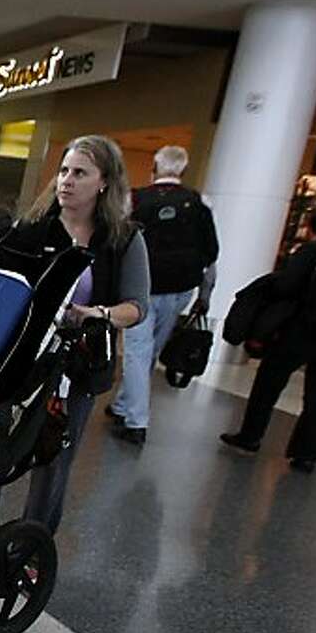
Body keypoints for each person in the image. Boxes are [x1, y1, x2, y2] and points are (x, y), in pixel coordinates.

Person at [3, 135, 148, 531]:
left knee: (54, 456)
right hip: (17, 355)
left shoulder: (123, 240)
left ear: (104, 182)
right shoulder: (32, 229)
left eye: (80, 173)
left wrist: (95, 313)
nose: (66, 180)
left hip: (76, 362)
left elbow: (136, 306)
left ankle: (32, 544)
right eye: (63, 171)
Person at [109, 144, 220, 444]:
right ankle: (123, 404)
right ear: (182, 170)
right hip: (181, 287)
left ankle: (135, 420)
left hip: (141, 287)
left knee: (136, 350)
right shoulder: (198, 203)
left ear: (155, 168)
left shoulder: (135, 200)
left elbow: (118, 241)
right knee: (148, 351)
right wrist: (205, 295)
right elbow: (211, 252)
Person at [220, 205, 316, 473]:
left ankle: (250, 436)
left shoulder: (311, 252)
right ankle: (306, 455)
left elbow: (287, 286)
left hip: (298, 330)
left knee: (268, 385)